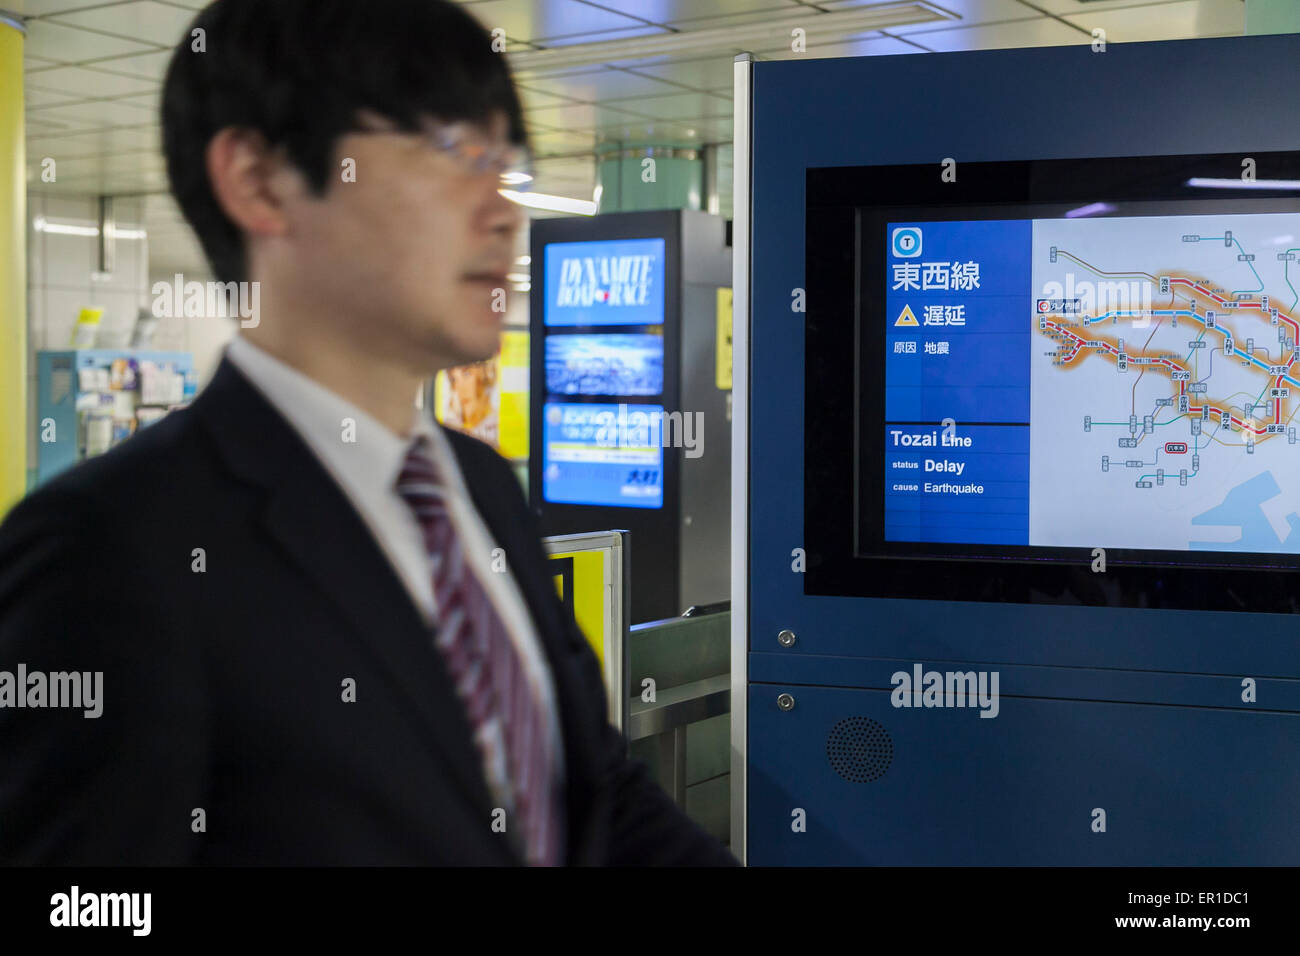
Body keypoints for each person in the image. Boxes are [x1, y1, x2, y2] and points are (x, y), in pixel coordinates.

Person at [0, 0, 735, 866]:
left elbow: (594, 796)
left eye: (506, 161)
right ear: (261, 179)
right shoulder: (108, 551)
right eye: (454, 151)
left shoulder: (482, 487)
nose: (504, 211)